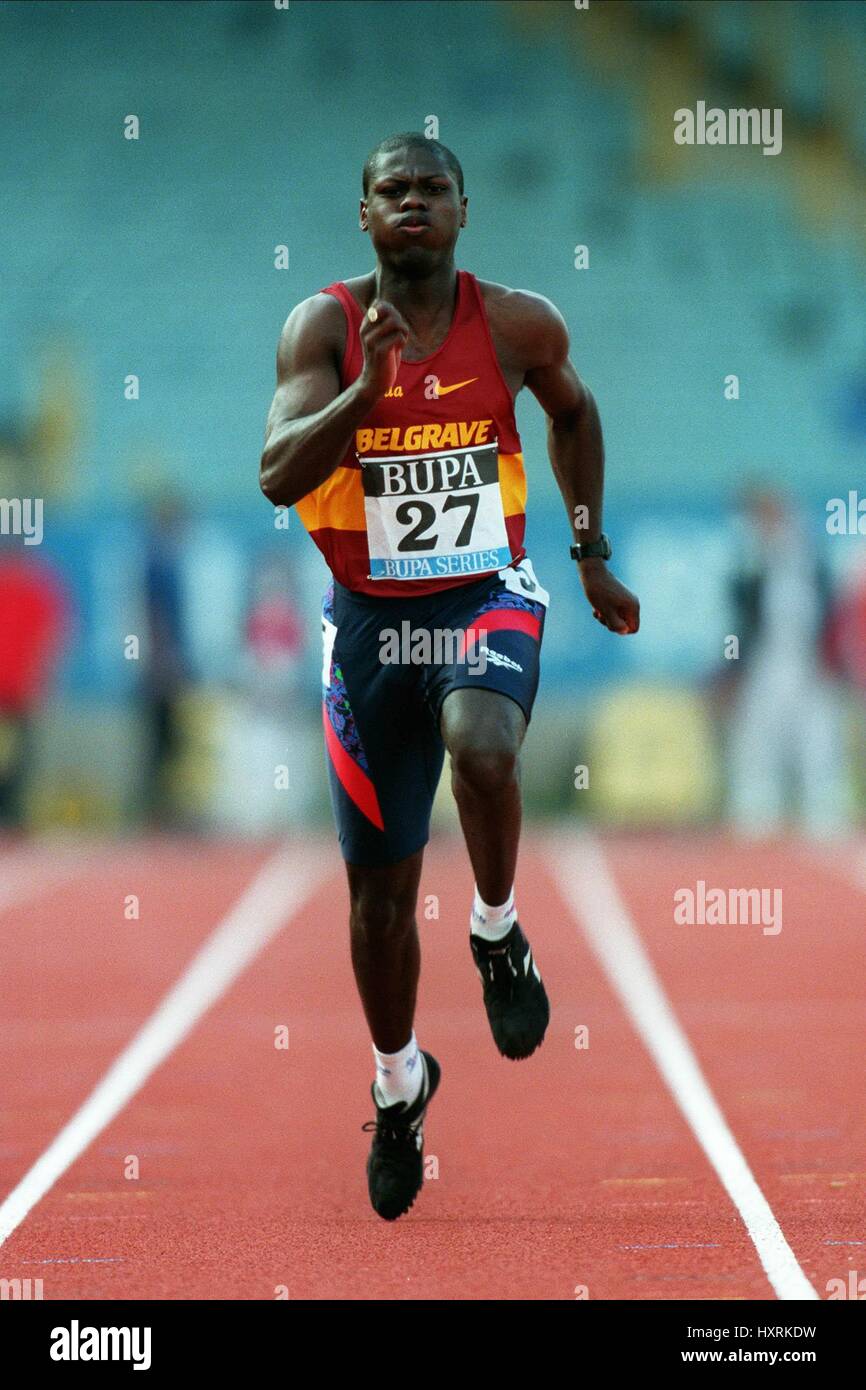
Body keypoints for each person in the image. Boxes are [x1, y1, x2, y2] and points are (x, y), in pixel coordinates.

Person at [260, 133, 640, 1221]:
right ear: (364, 213)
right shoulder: (323, 328)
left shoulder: (516, 323)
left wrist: (588, 549)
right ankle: (398, 1085)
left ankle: (494, 924)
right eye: (393, 191)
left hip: (485, 595)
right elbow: (277, 474)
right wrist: (363, 394)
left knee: (483, 747)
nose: (413, 204)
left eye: (432, 190)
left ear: (465, 210)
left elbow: (573, 413)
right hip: (369, 628)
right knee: (378, 897)